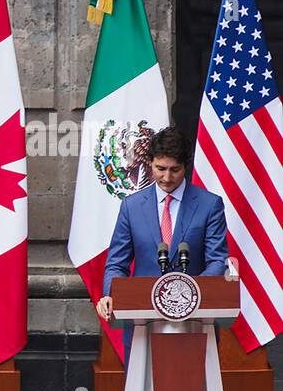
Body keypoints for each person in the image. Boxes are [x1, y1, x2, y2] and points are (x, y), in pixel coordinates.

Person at [96, 126, 228, 359]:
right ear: (149, 163)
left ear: (186, 165)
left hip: (194, 326)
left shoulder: (210, 205)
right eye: (161, 169)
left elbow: (217, 261)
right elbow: (117, 262)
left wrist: (186, 297)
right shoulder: (132, 207)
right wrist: (110, 293)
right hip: (141, 326)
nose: (167, 178)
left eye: (175, 170)